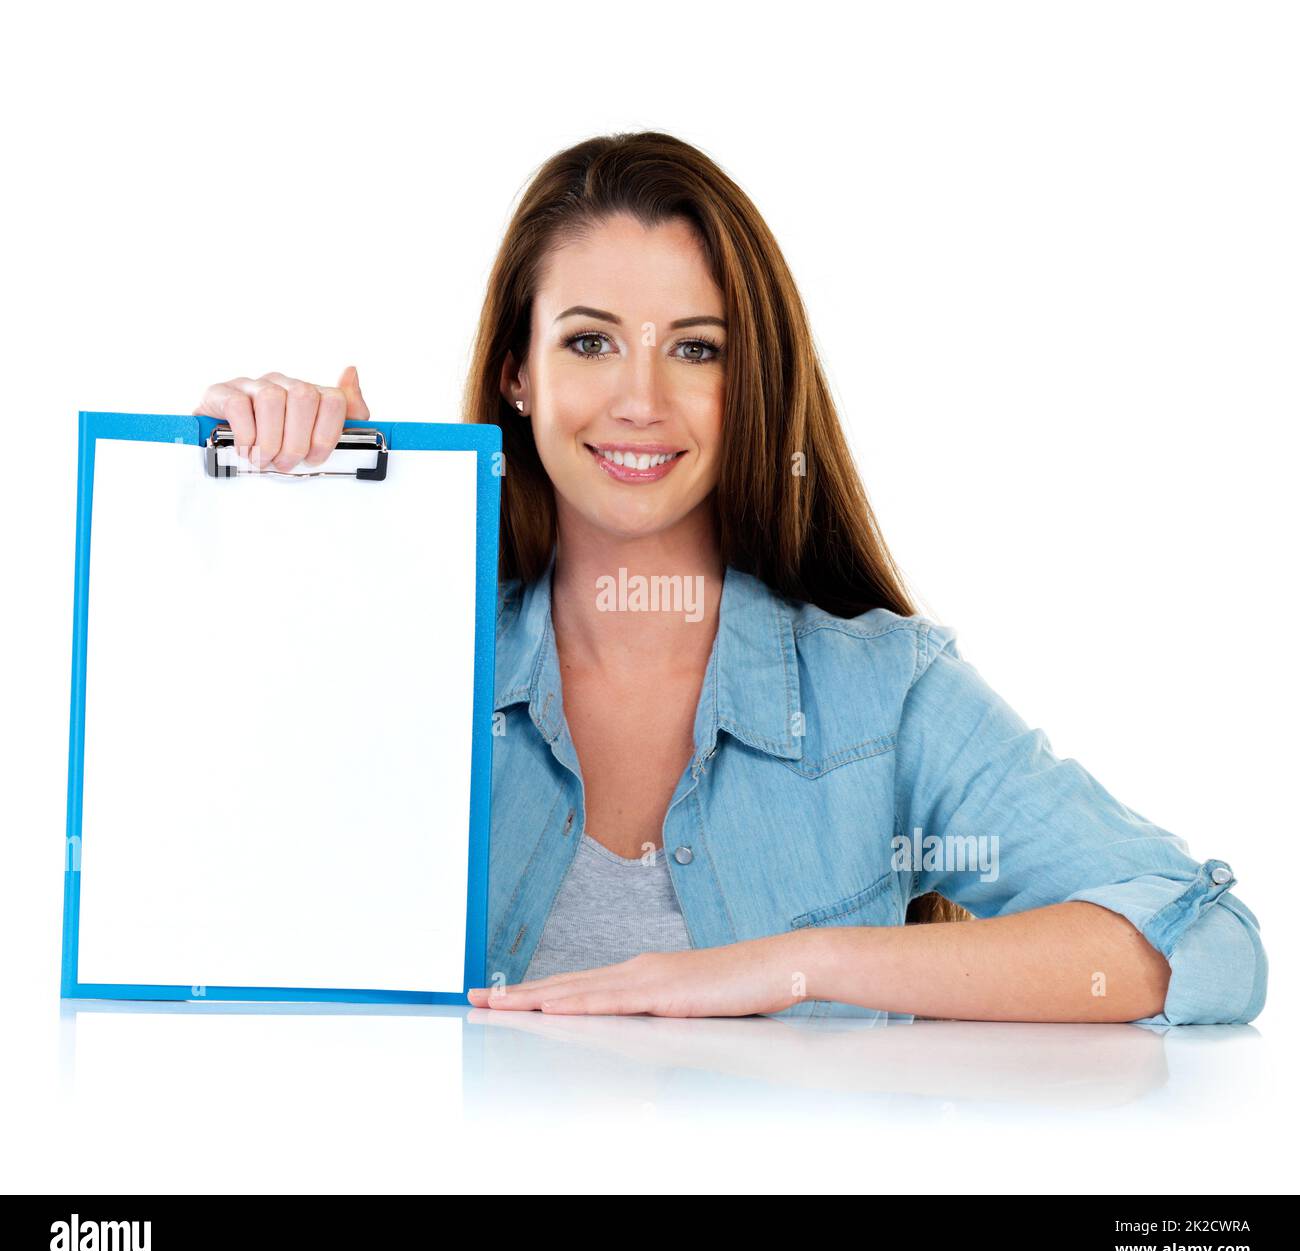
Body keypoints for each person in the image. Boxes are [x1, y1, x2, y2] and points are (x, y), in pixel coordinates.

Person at [193, 131, 1266, 1024]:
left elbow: (1206, 938)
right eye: (589, 342)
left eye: (696, 350)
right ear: (517, 373)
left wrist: (800, 966)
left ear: (749, 381)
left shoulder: (880, 695)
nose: (640, 401)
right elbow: (208, 885)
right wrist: (286, 530)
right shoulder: (417, 656)